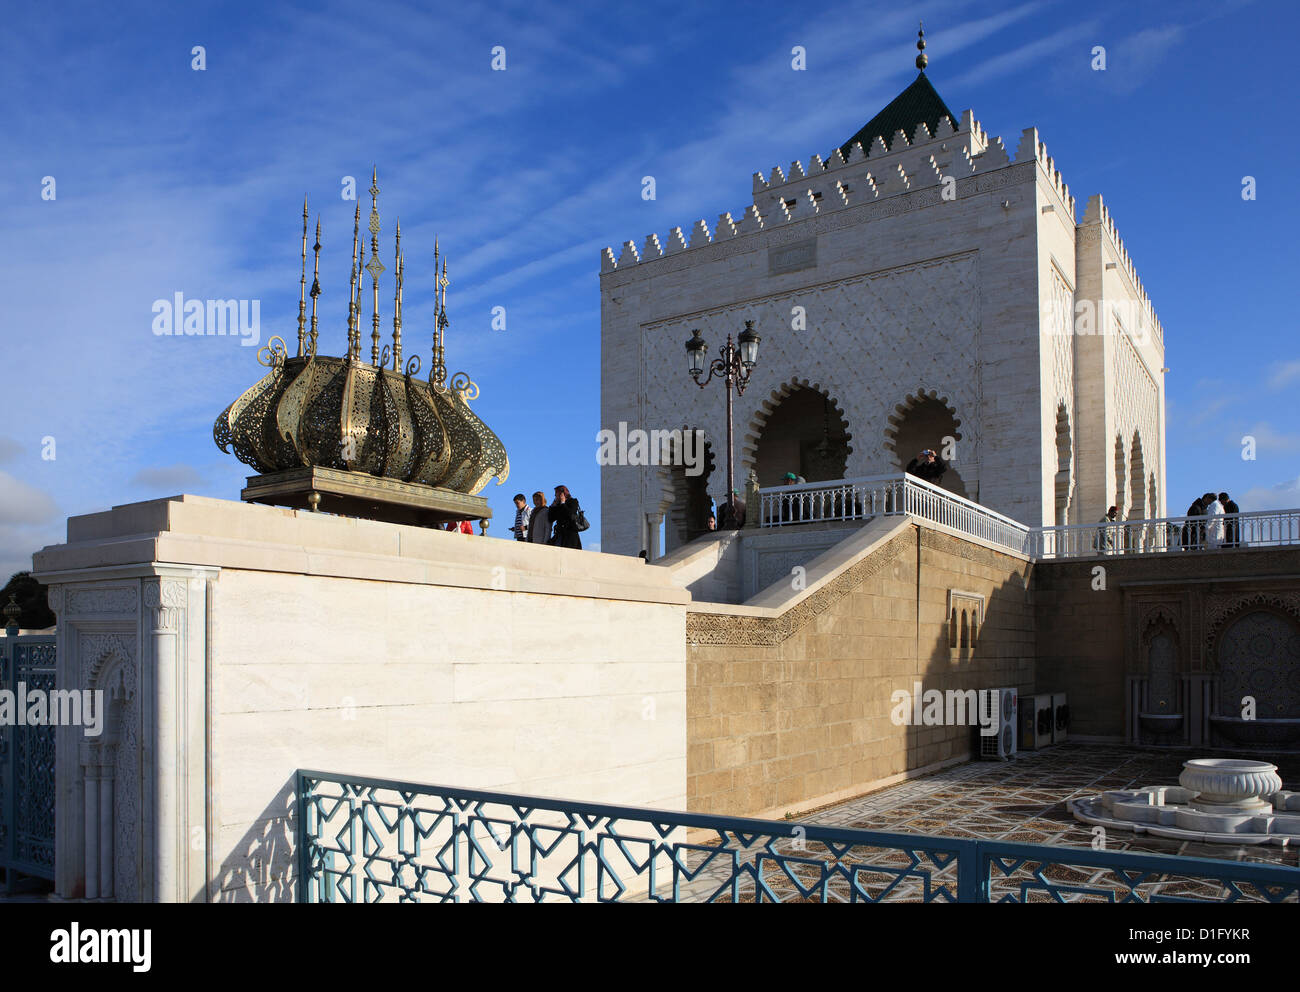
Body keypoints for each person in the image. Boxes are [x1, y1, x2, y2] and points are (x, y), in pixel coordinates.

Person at [548, 484, 583, 549]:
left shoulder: (573, 501)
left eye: (557, 494)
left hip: (570, 534)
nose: (556, 496)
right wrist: (552, 506)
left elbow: (569, 515)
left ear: (563, 494)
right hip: (559, 534)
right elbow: (550, 518)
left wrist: (563, 504)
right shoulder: (558, 505)